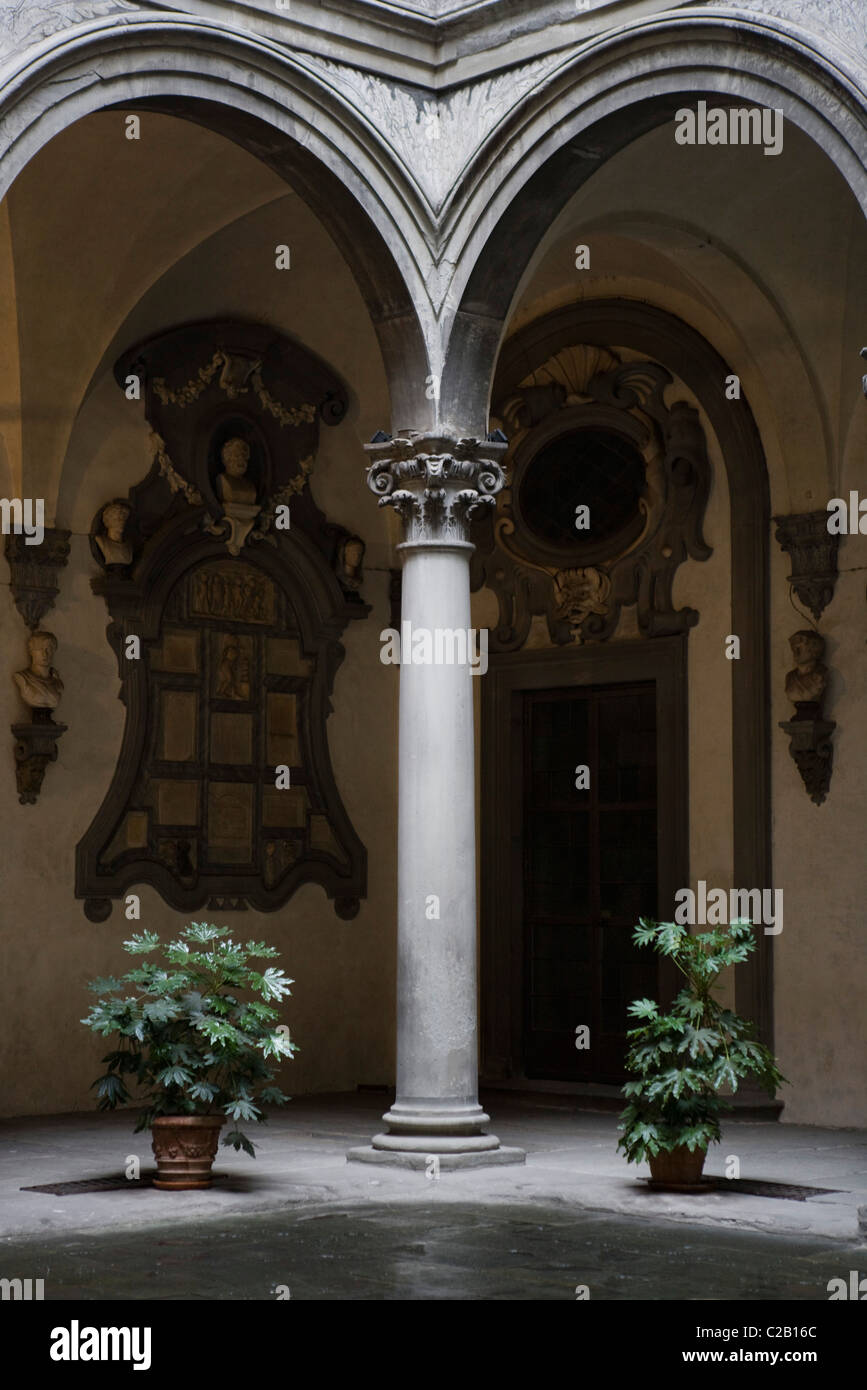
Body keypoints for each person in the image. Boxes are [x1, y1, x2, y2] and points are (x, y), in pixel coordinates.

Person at [14, 630, 64, 716]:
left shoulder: (56, 681)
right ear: (31, 651)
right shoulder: (23, 677)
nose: (45, 654)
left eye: (49, 649)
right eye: (39, 649)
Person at [216, 438, 257, 505]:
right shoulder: (222, 480)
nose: (241, 459)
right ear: (227, 459)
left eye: (244, 455)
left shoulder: (250, 485)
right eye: (237, 455)